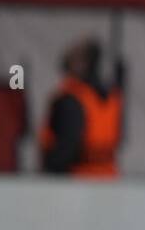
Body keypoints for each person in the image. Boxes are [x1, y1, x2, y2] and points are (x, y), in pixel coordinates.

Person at [39, 37, 123, 176]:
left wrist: (51, 170)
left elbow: (67, 147)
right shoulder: (111, 97)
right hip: (108, 178)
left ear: (84, 63)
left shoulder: (71, 98)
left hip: (77, 180)